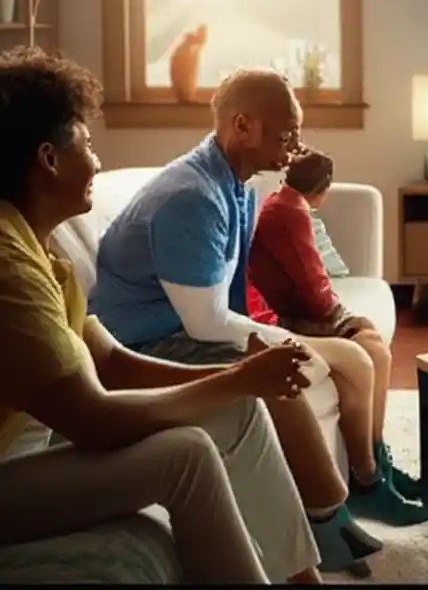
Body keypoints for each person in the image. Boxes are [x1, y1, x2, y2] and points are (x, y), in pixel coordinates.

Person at [0, 47, 323, 584]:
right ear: (48, 160)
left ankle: (301, 577)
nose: (98, 162)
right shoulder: (9, 266)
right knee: (185, 454)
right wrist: (237, 377)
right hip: (11, 468)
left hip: (37, 448)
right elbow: (92, 418)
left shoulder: (40, 249)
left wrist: (239, 383)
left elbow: (116, 366)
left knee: (237, 412)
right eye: (87, 143)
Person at [88, 69, 392, 572]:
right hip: (145, 344)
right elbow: (207, 324)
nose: (296, 144)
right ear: (243, 125)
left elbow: (229, 298)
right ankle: (325, 519)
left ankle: (331, 511)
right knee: (279, 375)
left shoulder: (238, 186)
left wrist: (277, 332)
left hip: (182, 328)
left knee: (291, 360)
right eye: (285, 133)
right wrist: (282, 340)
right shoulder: (191, 196)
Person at [247, 148, 422, 513]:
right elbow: (314, 290)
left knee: (373, 343)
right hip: (288, 318)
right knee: (370, 347)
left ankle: (377, 463)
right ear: (323, 186)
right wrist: (347, 320)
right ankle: (369, 478)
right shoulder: (290, 213)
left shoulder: (282, 203)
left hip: (286, 311)